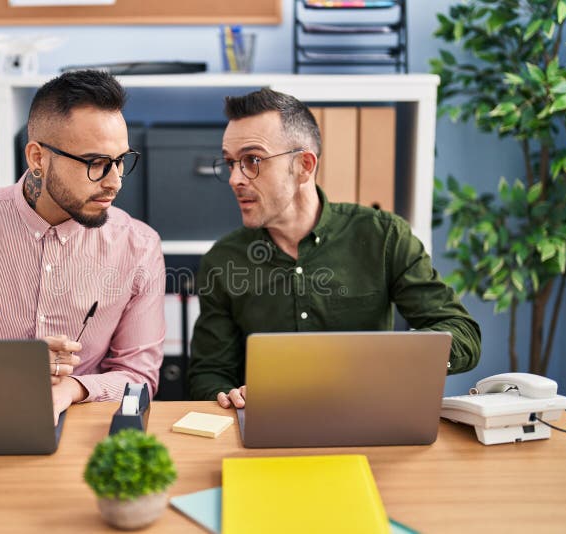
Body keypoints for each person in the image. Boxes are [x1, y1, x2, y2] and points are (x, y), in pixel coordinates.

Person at [0, 70, 165, 419]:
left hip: (80, 424)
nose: (114, 183)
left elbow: (139, 377)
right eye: (95, 163)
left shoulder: (139, 246)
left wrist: (73, 389)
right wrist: (10, 367)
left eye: (120, 161)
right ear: (37, 158)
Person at [188, 88, 481, 408]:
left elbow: (462, 334)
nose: (235, 179)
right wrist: (225, 394)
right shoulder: (223, 260)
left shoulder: (384, 236)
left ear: (304, 165)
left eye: (252, 160)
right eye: (230, 163)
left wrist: (393, 358)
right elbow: (209, 373)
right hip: (268, 422)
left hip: (370, 419)